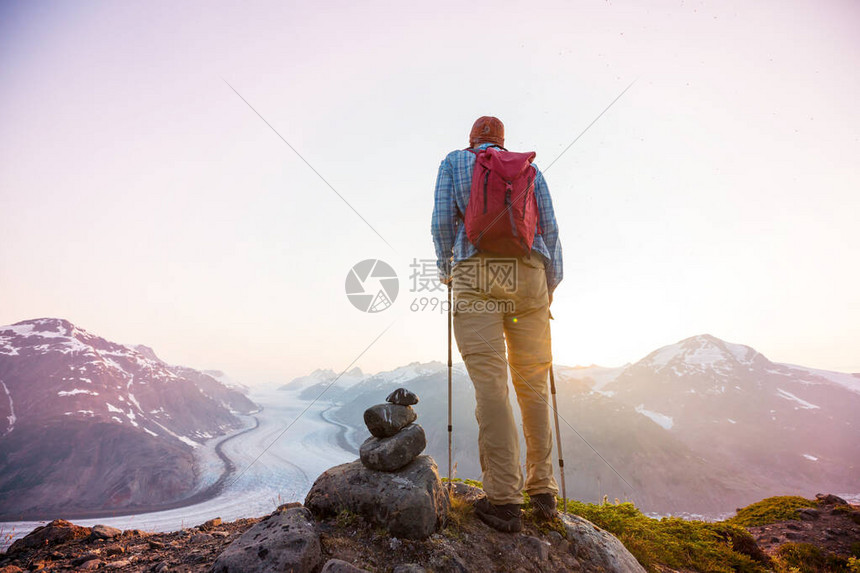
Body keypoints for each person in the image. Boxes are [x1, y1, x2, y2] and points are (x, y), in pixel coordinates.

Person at [431, 116, 563, 532]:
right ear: (503, 143)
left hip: (477, 272)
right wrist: (548, 285)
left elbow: (442, 223)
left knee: (491, 385)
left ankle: (505, 501)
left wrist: (447, 271)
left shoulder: (454, 162)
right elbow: (550, 229)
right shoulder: (528, 169)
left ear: (472, 139)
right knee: (533, 383)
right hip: (530, 275)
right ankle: (543, 491)